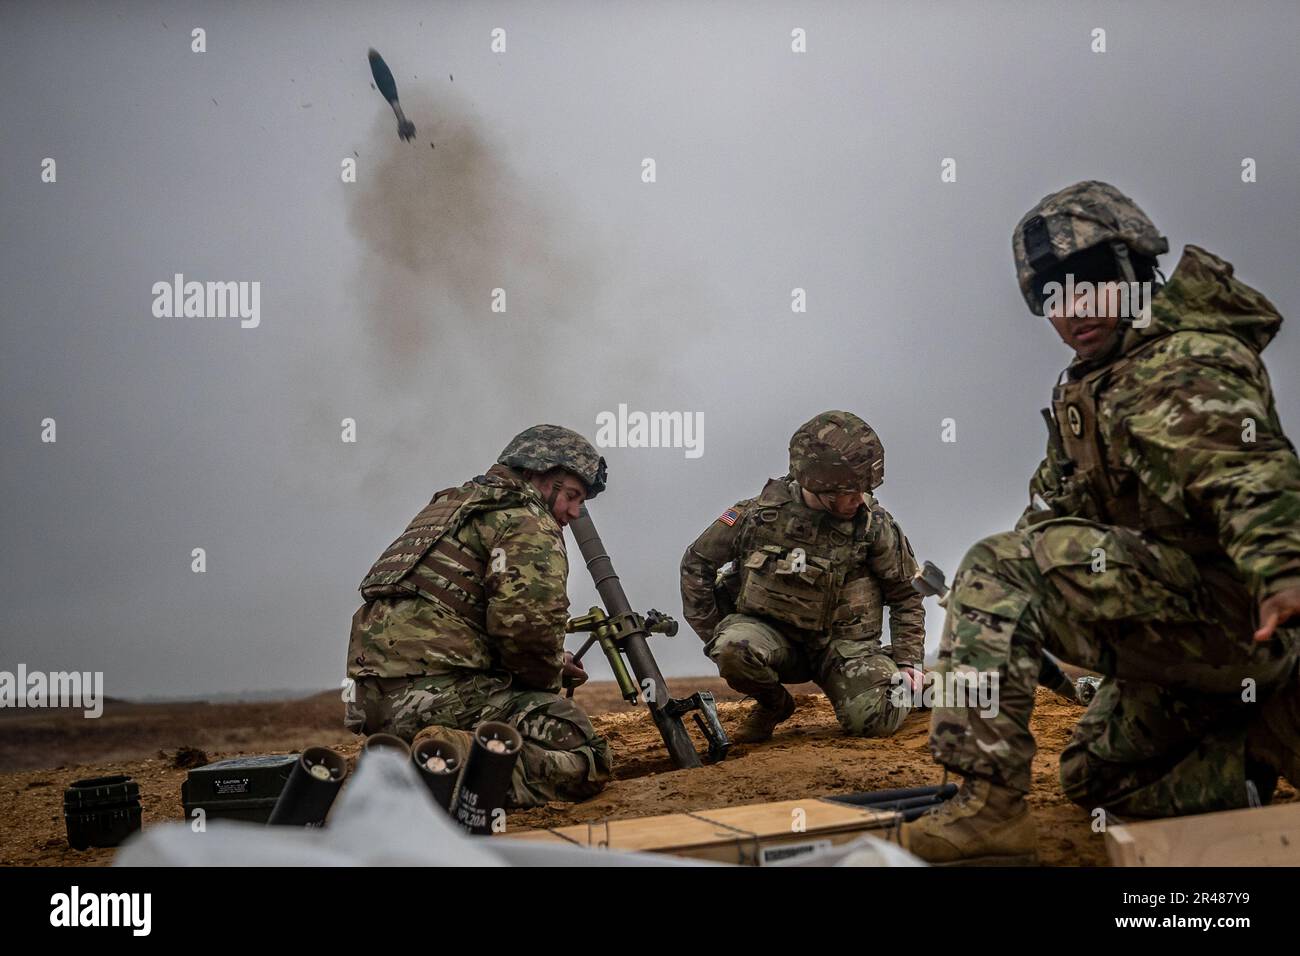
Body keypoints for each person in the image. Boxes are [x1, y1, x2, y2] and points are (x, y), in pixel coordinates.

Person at [902, 181, 1300, 865]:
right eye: (1051, 298)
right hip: (1184, 630)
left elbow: (1246, 474)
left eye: (1087, 286)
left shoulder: (1182, 361)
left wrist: (1284, 572)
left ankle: (989, 813)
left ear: (1132, 271)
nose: (1071, 311)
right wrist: (1018, 621)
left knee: (999, 563)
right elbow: (1052, 521)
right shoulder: (1092, 385)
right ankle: (1244, 745)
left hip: (1240, 616)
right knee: (1099, 778)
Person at [344, 424, 613, 807]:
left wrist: (553, 660)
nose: (574, 511)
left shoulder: (450, 507)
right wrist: (549, 674)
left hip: (371, 704)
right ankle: (454, 758)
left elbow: (450, 612)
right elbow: (527, 633)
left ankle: (401, 758)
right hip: (440, 696)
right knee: (586, 750)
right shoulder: (528, 520)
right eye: (571, 495)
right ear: (536, 474)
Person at [680, 411, 925, 743]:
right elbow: (697, 563)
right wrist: (713, 634)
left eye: (864, 489)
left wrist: (910, 661)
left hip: (844, 648)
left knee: (873, 721)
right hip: (773, 639)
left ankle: (915, 687)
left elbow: (906, 593)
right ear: (818, 483)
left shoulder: (874, 525)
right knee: (732, 650)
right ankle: (774, 705)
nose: (859, 499)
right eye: (850, 491)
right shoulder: (756, 517)